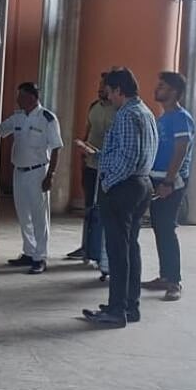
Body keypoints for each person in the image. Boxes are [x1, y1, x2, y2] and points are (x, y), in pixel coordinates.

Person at [82, 67, 157, 328]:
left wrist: (107, 183)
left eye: (109, 91)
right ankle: (128, 305)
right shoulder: (144, 112)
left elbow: (127, 159)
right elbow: (131, 152)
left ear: (119, 90)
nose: (106, 95)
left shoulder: (126, 115)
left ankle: (116, 310)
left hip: (124, 187)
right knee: (129, 247)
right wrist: (100, 156)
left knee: (117, 251)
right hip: (141, 185)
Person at [0, 82, 63, 274]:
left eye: (21, 96)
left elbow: (56, 148)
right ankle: (29, 252)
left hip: (38, 172)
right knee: (23, 214)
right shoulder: (18, 117)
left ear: (32, 97)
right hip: (19, 171)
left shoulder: (47, 118)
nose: (17, 99)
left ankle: (40, 257)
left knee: (39, 216)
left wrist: (51, 175)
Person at [141, 71, 195, 302]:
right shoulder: (163, 117)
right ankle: (165, 276)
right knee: (160, 228)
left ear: (173, 91)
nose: (157, 89)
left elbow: (180, 150)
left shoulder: (181, 118)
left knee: (166, 228)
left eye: (162, 86)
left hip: (170, 181)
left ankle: (174, 281)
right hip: (156, 178)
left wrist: (169, 181)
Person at [67, 73, 116, 268]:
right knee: (89, 208)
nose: (100, 88)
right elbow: (88, 132)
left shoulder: (120, 111)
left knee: (105, 210)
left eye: (104, 86)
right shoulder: (93, 107)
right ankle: (86, 246)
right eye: (99, 84)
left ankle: (101, 251)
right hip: (91, 164)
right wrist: (82, 157)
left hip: (109, 167)